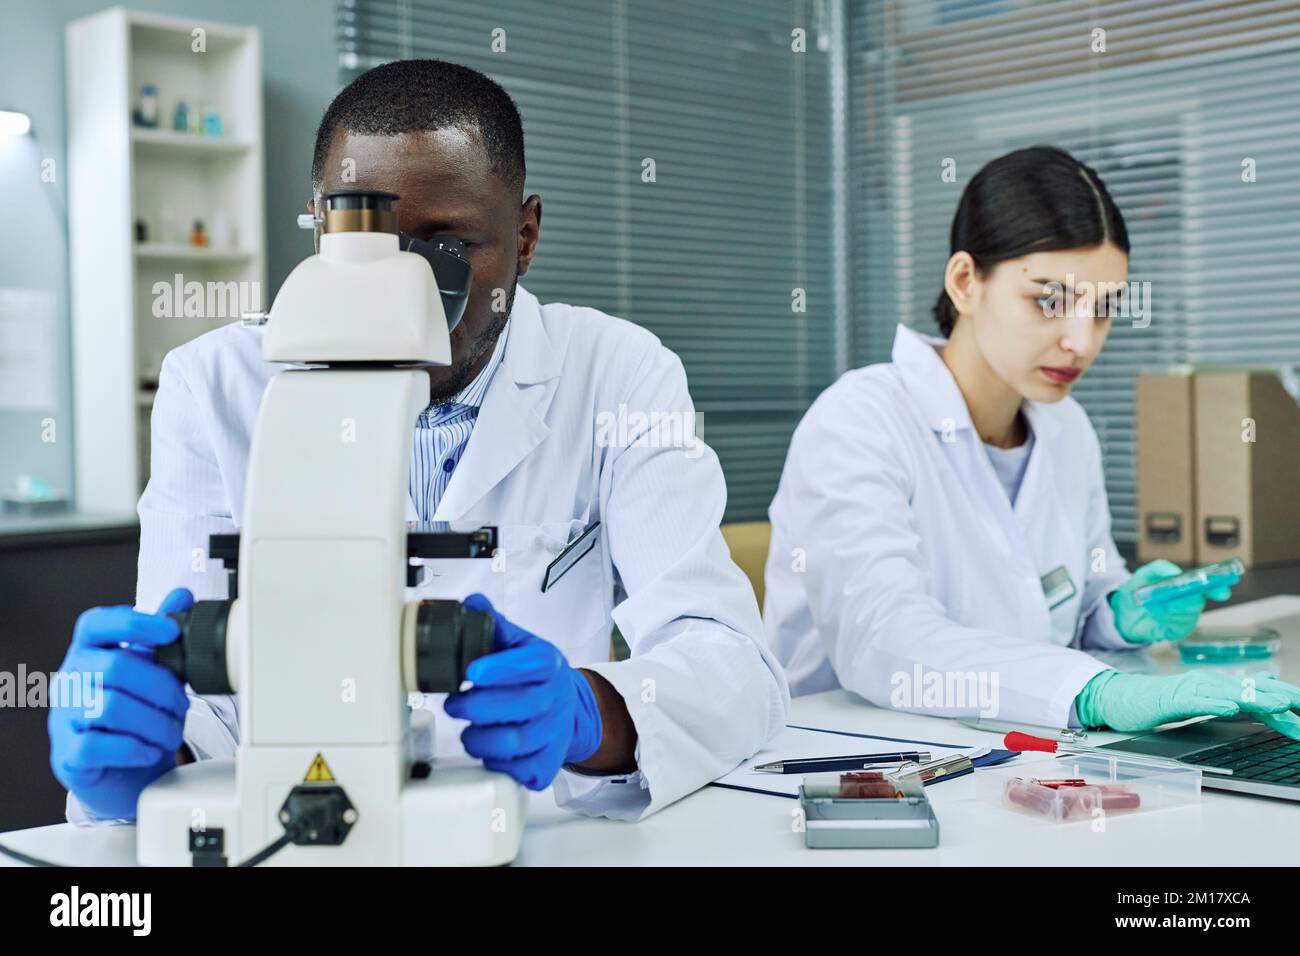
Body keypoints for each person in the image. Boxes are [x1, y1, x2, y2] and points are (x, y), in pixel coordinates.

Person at [49, 59, 789, 826]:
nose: (400, 288)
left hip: (536, 829)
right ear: (317, 220)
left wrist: (590, 712)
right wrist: (139, 750)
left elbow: (731, 665)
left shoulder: (619, 374)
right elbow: (204, 696)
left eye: (446, 247)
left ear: (526, 234)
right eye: (365, 240)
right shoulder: (214, 384)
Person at [763, 146, 1300, 737]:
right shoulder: (858, 421)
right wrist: (1092, 691)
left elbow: (1076, 603)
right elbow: (885, 639)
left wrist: (1120, 614)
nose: (1082, 341)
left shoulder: (1065, 426)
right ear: (966, 282)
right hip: (855, 763)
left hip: (1019, 757)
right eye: (1052, 300)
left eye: (1102, 309)